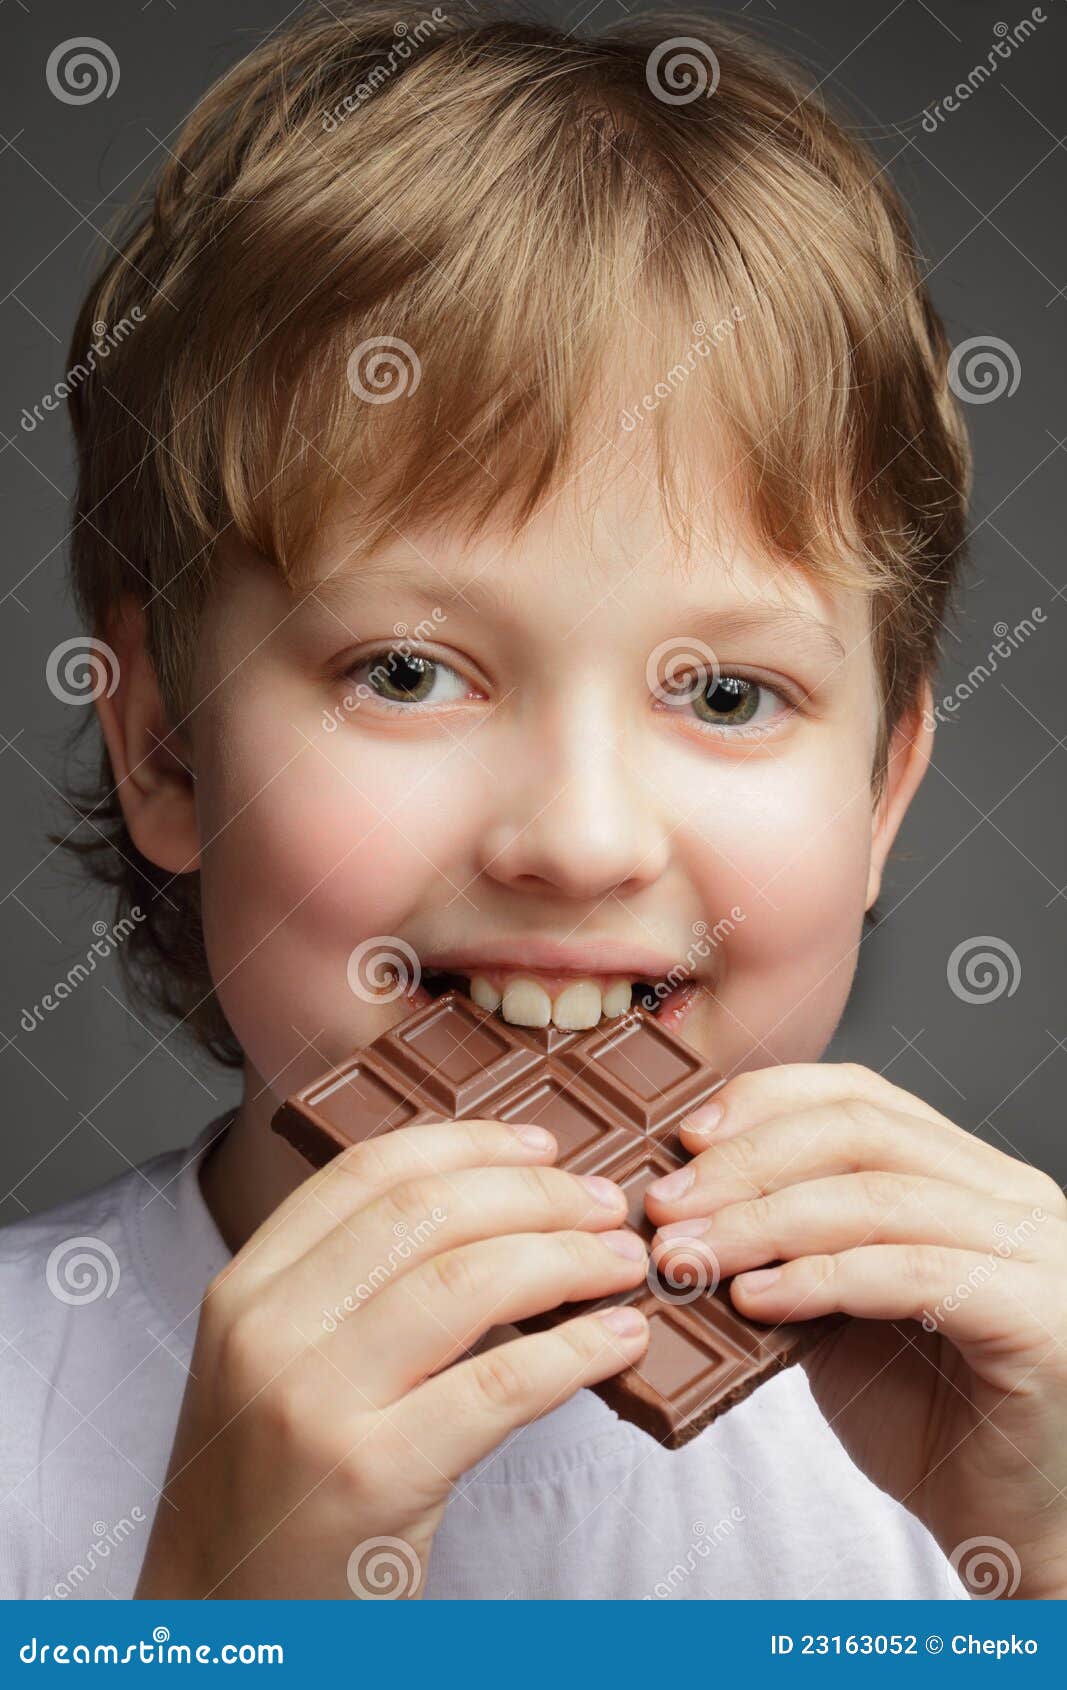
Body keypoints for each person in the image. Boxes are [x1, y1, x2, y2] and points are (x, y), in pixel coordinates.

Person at [3, 2, 1064, 1601]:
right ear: (164, 745)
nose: (576, 841)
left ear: (881, 789)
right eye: (410, 673)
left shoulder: (1012, 1437)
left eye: (724, 694)